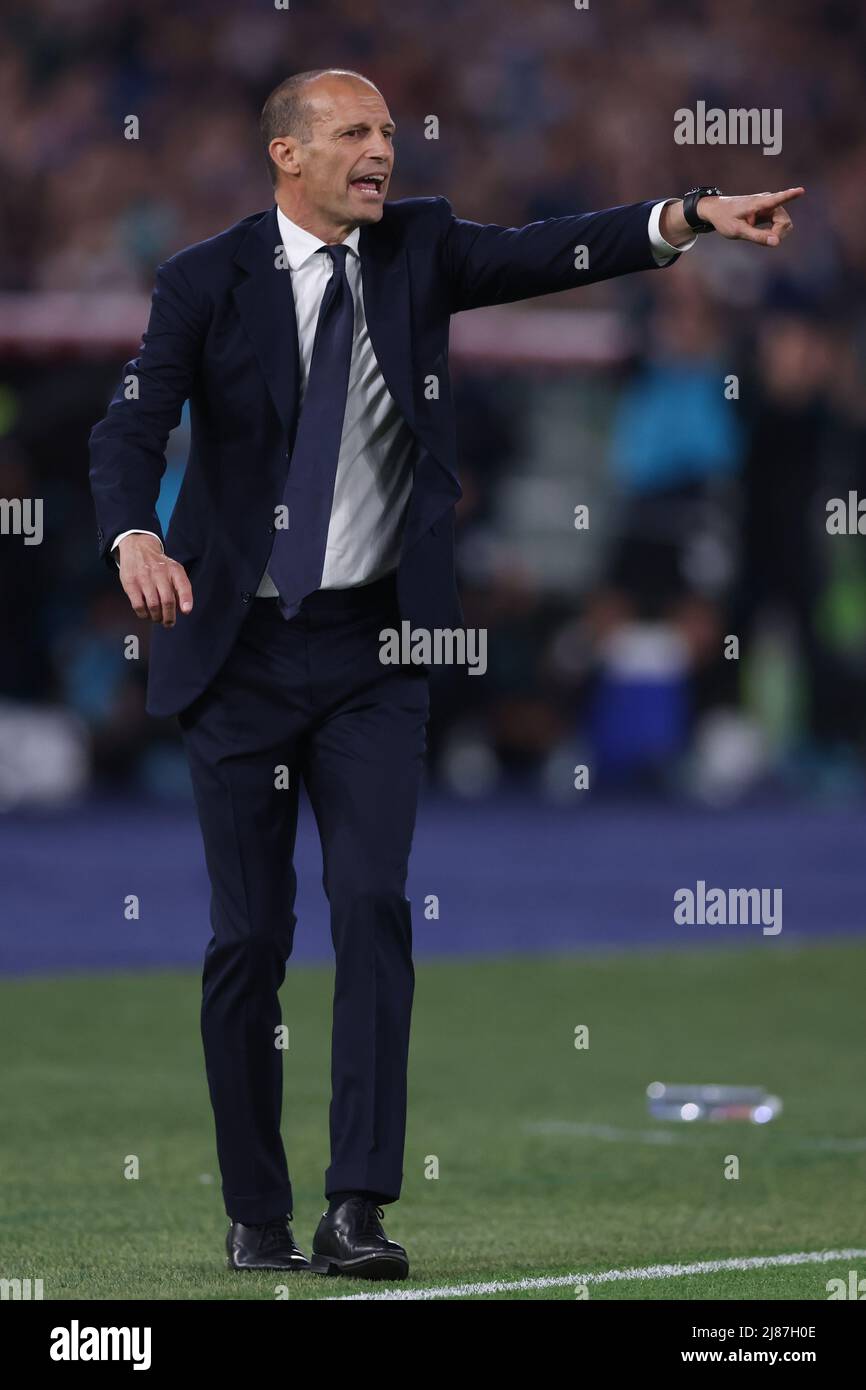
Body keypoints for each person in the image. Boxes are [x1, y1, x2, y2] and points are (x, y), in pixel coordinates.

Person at [88, 67, 802, 1281]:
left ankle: (355, 1207)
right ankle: (254, 1212)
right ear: (287, 156)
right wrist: (134, 534)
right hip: (242, 655)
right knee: (247, 942)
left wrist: (682, 214)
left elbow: (551, 250)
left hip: (375, 653)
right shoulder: (204, 280)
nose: (383, 151)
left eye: (385, 131)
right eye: (354, 134)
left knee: (372, 908)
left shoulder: (420, 248)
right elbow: (129, 426)